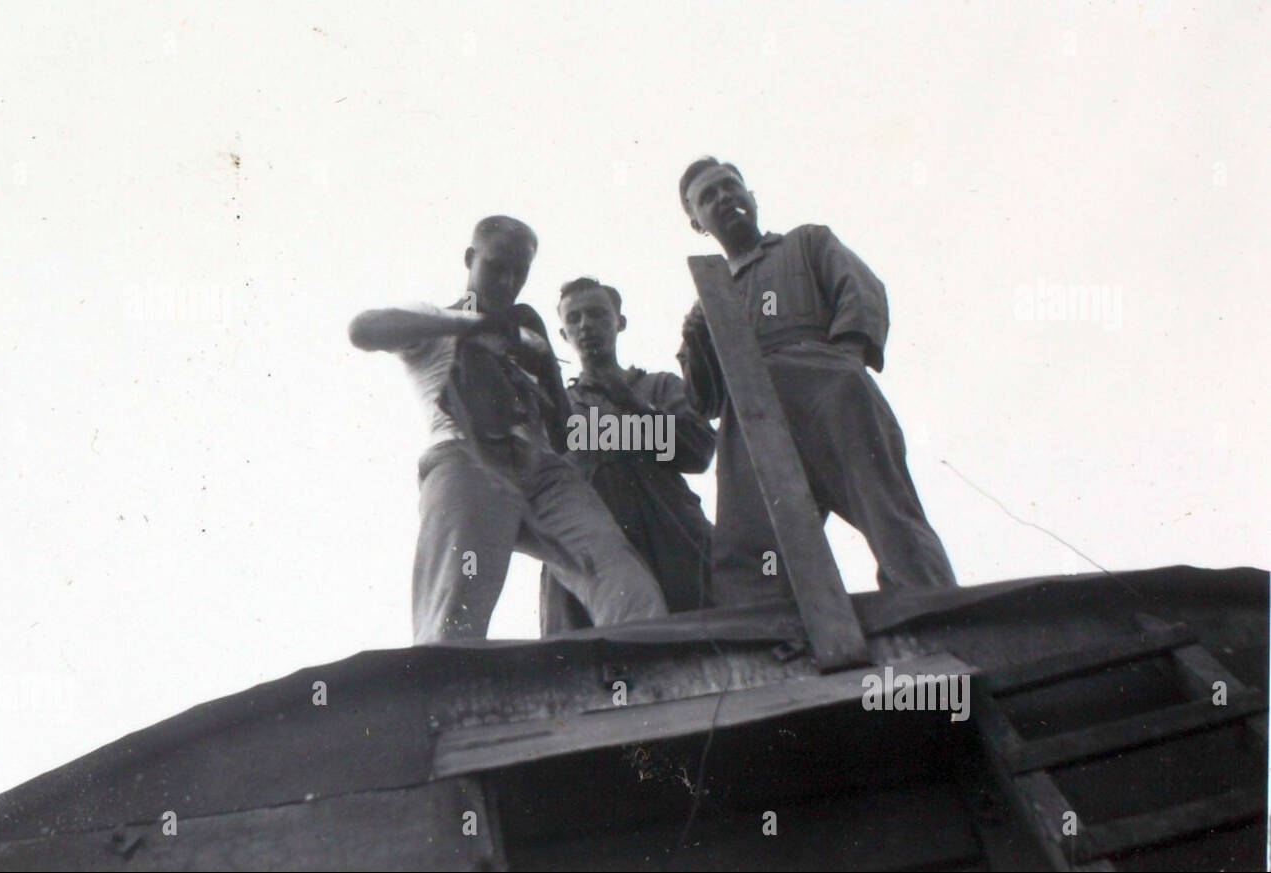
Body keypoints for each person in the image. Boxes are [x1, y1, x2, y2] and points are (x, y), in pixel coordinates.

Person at [349, 215, 667, 643]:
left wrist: (545, 370)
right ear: (470, 259)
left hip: (544, 472)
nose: (508, 281)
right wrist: (469, 325)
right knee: (459, 597)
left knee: (613, 567)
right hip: (468, 462)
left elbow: (566, 434)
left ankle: (651, 662)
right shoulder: (434, 321)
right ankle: (443, 699)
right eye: (497, 267)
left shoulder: (524, 335)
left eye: (520, 272)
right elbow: (363, 330)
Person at [676, 158, 956, 604]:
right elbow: (702, 399)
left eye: (731, 187)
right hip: (750, 415)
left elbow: (859, 289)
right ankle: (772, 643)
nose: (724, 198)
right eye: (708, 197)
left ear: (752, 196)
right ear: (697, 223)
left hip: (824, 383)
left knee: (882, 501)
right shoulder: (708, 295)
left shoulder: (806, 241)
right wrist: (695, 342)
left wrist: (845, 359)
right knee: (752, 544)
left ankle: (930, 605)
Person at [539, 277, 715, 633]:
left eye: (597, 314)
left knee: (703, 636)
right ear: (562, 336)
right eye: (574, 319)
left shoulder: (659, 386)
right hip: (590, 542)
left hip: (669, 532)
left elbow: (699, 451)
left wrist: (632, 403)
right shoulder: (557, 406)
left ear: (619, 322)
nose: (585, 325)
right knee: (588, 657)